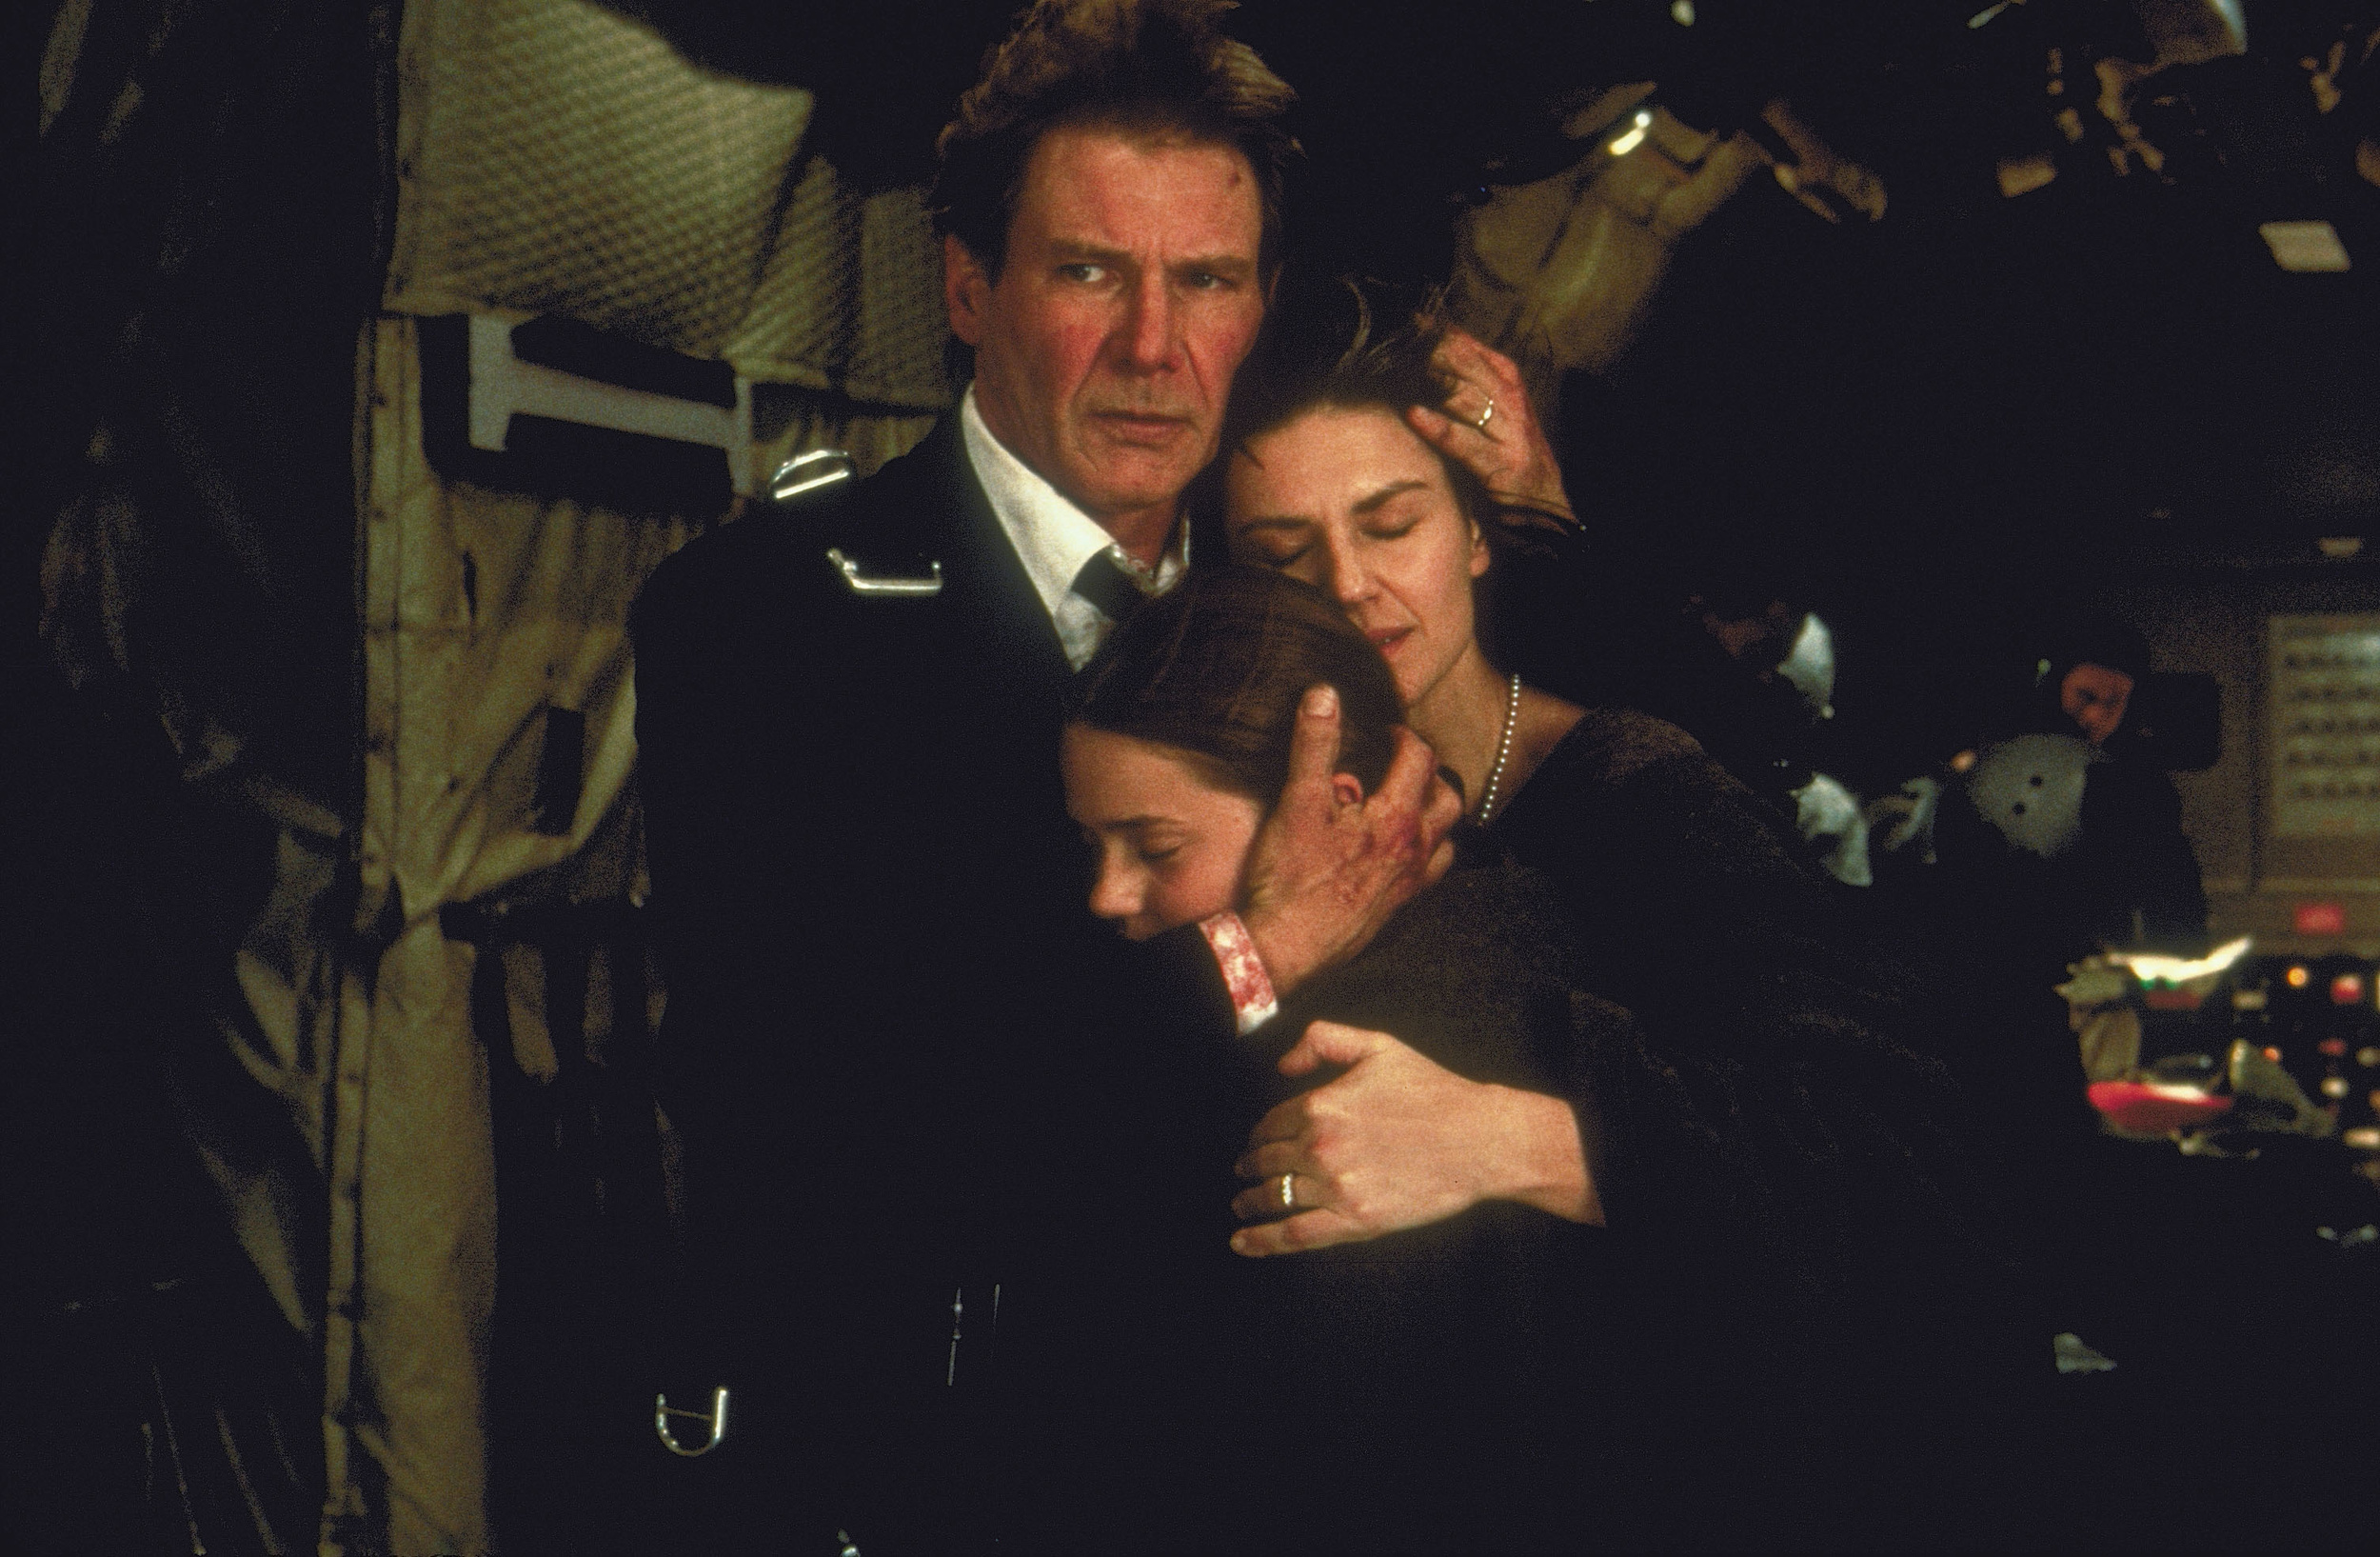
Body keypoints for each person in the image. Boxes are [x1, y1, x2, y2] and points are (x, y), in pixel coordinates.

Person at [630, 8, 1457, 1548]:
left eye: (1205, 281)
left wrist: (1532, 521)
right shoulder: (763, 621)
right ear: (968, 287)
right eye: (1088, 273)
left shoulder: (1300, 609)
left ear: (1259, 304)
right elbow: (844, 1126)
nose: (1153, 347)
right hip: (940, 1476)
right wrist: (1256, 948)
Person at [1213, 282, 2036, 1546]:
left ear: (1477, 535)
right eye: (1283, 557)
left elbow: (1900, 1172)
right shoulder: (1244, 814)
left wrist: (1510, 1138)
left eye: (1391, 523)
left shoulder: (1640, 788)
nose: (1348, 586)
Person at [1063, 565, 1627, 1551]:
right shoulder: (1491, 917)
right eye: (1091, 848)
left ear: (1334, 806)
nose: (1105, 896)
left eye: (1155, 848)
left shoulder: (1368, 1052)